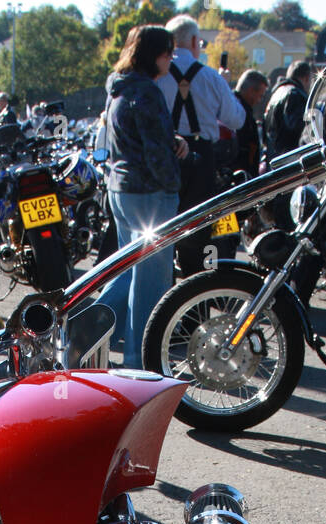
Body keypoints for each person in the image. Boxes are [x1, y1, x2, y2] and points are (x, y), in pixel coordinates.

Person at [95, 25, 187, 368]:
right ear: (155, 54)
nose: (171, 58)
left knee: (126, 274)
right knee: (151, 281)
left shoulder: (119, 87)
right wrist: (173, 182)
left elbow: (134, 137)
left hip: (121, 189)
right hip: (150, 194)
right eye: (168, 52)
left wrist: (171, 140)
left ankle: (80, 336)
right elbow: (154, 152)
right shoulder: (147, 91)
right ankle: (140, 363)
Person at [155, 14, 245, 277]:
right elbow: (236, 119)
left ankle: (161, 296)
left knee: (161, 229)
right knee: (197, 231)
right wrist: (224, 86)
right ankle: (194, 302)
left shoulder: (156, 75)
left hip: (164, 153)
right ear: (194, 40)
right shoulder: (211, 77)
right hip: (201, 157)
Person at [263, 60, 311, 161]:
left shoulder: (275, 94)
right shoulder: (295, 94)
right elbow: (299, 128)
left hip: (274, 160)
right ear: (307, 78)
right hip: (288, 161)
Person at [234, 68, 268, 179]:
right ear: (251, 90)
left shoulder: (239, 108)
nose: (259, 101)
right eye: (260, 96)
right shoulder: (237, 112)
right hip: (239, 176)